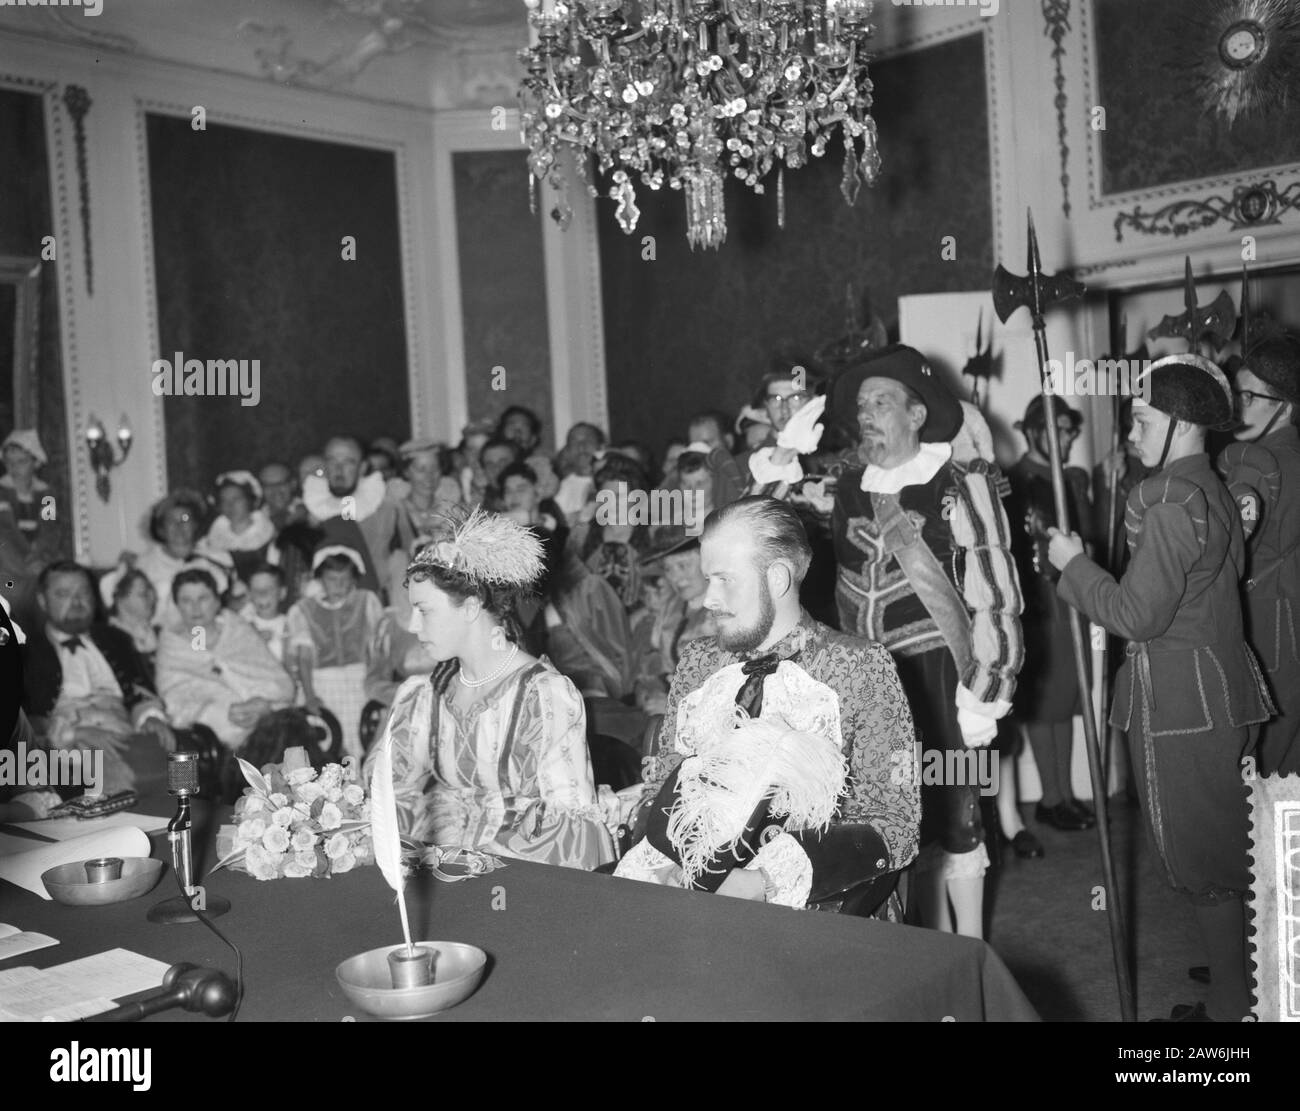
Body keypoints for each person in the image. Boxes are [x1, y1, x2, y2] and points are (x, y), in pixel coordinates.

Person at [1047, 354, 1273, 1023]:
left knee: (1204, 861)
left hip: (1183, 703)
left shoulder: (1174, 503)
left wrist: (1073, 566)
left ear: (1182, 423)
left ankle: (1232, 1010)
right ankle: (1238, 993)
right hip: (1214, 691)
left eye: (1142, 420)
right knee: (1220, 853)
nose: (1130, 433)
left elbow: (1136, 615)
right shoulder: (1205, 485)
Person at [626, 496, 919, 912]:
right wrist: (664, 862)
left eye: (724, 580)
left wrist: (764, 882)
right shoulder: (698, 661)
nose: (709, 598)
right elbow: (660, 785)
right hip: (683, 895)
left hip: (816, 910)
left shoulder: (858, 666)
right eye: (707, 579)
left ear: (777, 578)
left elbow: (896, 824)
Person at [830, 344, 1023, 939]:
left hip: (942, 673)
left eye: (880, 402)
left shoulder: (962, 483)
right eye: (861, 406)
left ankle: (971, 949)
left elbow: (996, 589)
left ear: (917, 415)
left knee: (957, 811)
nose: (866, 414)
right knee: (886, 819)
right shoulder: (845, 487)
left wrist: (988, 685)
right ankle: (917, 946)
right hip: (868, 686)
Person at [364, 508, 615, 869]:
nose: (415, 626)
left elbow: (567, 826)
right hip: (440, 868)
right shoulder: (424, 695)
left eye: (424, 610)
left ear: (470, 608)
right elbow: (391, 793)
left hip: (519, 873)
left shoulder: (543, 696)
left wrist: (468, 864)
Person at [1005, 395, 1095, 840]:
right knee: (1044, 703)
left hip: (1070, 598)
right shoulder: (1012, 480)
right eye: (1054, 430)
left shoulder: (1073, 479)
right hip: (1037, 604)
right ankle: (1052, 798)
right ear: (1033, 432)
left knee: (1068, 699)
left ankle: (1064, 795)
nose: (1064, 439)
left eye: (1067, 430)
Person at [23, 561, 177, 795]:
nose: (77, 602)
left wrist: (150, 717)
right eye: (63, 594)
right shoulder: (24, 650)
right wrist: (74, 733)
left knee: (176, 757)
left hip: (122, 730)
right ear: (43, 601)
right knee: (107, 775)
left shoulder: (116, 639)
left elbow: (139, 688)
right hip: (66, 739)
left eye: (83, 592)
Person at [1219, 333, 1300, 776]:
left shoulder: (1255, 465)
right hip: (1290, 623)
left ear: (1284, 406)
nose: (1237, 407)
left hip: (1267, 628)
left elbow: (1224, 550)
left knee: (1262, 767)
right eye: (1236, 394)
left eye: (1248, 397)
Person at [156, 568, 295, 751]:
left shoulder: (237, 630)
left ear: (216, 601)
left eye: (203, 598)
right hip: (204, 741)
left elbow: (281, 685)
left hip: (266, 731)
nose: (195, 608)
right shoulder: (172, 646)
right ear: (177, 605)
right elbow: (175, 700)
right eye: (186, 600)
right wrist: (221, 712)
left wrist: (264, 706)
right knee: (183, 755)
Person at [285, 547, 383, 761]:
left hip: (358, 681)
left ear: (354, 579)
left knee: (360, 743)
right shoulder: (304, 610)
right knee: (328, 745)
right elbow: (304, 658)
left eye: (345, 579)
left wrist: (377, 682)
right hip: (322, 683)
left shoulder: (366, 601)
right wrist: (310, 696)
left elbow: (377, 649)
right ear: (320, 579)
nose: (338, 585)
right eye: (332, 579)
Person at [107, 490, 235, 633]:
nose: (178, 526)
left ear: (195, 524)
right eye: (170, 521)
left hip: (206, 635)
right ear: (161, 529)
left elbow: (232, 603)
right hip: (159, 637)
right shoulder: (143, 565)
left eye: (185, 518)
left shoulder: (217, 559)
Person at [301, 436, 402, 599]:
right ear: (324, 466)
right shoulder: (307, 509)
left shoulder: (386, 510)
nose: (339, 469)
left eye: (349, 462)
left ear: (362, 468)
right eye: (332, 461)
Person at [0, 429, 64, 628]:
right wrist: (26, 563)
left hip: (38, 565)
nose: (14, 468)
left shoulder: (46, 495)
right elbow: (6, 532)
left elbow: (49, 529)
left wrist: (40, 557)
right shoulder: (1, 493)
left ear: (36, 463)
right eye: (9, 462)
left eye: (21, 462)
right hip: (8, 569)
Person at [203, 471, 276, 589]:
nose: (230, 505)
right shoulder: (212, 541)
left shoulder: (269, 535)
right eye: (224, 500)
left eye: (236, 499)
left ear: (250, 500)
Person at [392, 439, 463, 551]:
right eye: (421, 470)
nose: (429, 476)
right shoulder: (395, 512)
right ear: (406, 472)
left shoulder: (451, 512)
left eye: (435, 468)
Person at [107, 568, 159, 674]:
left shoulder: (158, 633)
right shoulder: (109, 640)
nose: (152, 599)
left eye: (152, 593)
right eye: (143, 594)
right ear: (120, 599)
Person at [239, 562, 289, 664]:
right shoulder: (241, 624)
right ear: (249, 594)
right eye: (256, 590)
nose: (262, 595)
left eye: (269, 589)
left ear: (282, 593)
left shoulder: (292, 625)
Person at [258, 462, 306, 533]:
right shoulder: (254, 522)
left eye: (281, 483)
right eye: (268, 485)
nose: (275, 490)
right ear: (261, 488)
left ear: (293, 484)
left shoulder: (313, 511)